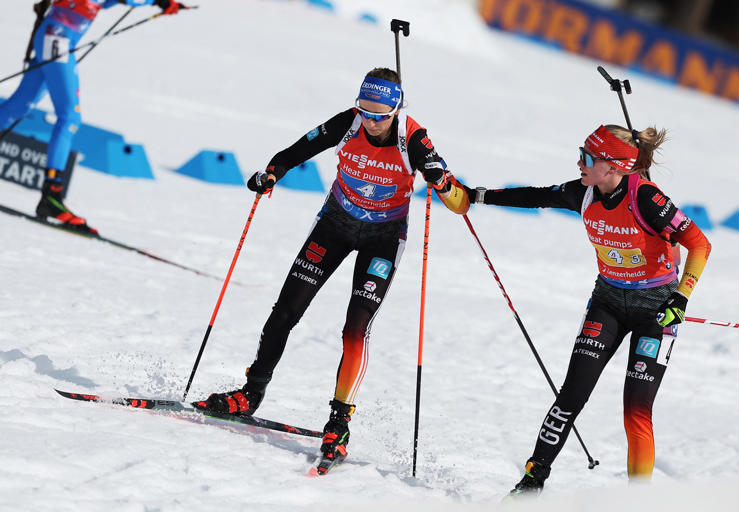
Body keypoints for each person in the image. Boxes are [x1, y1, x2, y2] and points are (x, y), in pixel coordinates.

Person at [193, 67, 470, 469]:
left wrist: (442, 182)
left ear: (396, 109)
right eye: (366, 111)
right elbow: (294, 152)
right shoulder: (349, 123)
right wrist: (273, 172)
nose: (372, 122)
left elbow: (459, 203)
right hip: (335, 225)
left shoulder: (415, 139)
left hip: (383, 238)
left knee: (355, 328)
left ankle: (338, 424)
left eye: (380, 115)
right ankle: (250, 393)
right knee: (285, 311)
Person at [467, 124, 711, 495]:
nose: (578, 163)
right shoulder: (582, 192)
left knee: (636, 413)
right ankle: (532, 481)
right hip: (608, 303)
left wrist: (681, 297)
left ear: (613, 167)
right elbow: (533, 196)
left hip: (656, 312)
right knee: (571, 396)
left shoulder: (647, 199)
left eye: (587, 158)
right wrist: (474, 196)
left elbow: (700, 244)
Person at [0, 0, 184, 233]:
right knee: (69, 118)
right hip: (57, 38)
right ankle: (51, 196)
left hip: (55, 35)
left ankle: (51, 197)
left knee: (19, 106)